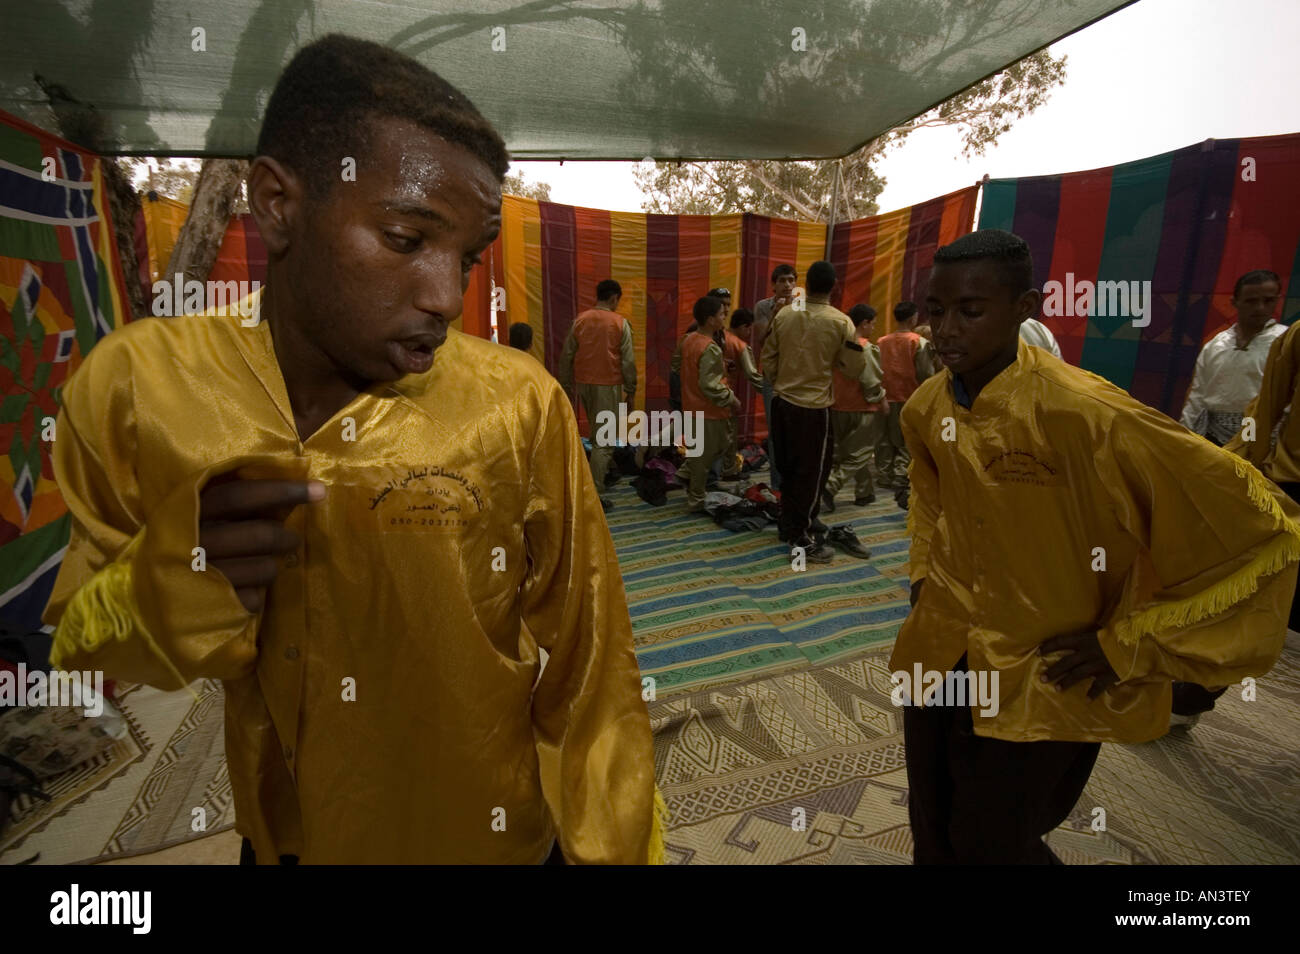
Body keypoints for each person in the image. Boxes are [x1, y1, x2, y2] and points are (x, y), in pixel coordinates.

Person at [42, 34, 660, 865]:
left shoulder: (517, 405)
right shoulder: (140, 389)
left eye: (468, 259)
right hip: (290, 842)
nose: (446, 295)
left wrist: (618, 849)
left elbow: (593, 665)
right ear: (277, 202)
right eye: (406, 239)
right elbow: (86, 641)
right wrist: (174, 579)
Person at [897, 229, 1299, 865]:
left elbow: (1259, 527)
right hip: (939, 647)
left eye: (970, 312)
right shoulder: (925, 408)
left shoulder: (1087, 413)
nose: (945, 329)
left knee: (994, 841)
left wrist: (1129, 641)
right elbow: (929, 499)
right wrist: (924, 574)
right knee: (934, 823)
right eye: (935, 310)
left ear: (1025, 307)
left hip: (1041, 665)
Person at [761, 261, 868, 563]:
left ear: (805, 284)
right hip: (814, 408)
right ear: (834, 286)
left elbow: (767, 357)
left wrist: (782, 381)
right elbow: (852, 367)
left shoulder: (785, 314)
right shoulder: (841, 322)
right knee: (812, 474)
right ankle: (801, 540)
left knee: (789, 469)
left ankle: (790, 522)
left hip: (782, 403)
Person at [1180, 269, 1286, 447]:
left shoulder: (1285, 343)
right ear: (1234, 302)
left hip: (1263, 435)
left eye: (1268, 300)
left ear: (1277, 300)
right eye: (1251, 301)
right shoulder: (1215, 345)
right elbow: (1197, 397)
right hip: (1213, 434)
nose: (1260, 307)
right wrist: (1185, 437)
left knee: (1246, 472)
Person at [559, 278, 637, 510]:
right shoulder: (619, 323)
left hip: (584, 384)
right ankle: (592, 496)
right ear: (614, 298)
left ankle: (600, 475)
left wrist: (565, 384)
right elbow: (628, 362)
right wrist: (631, 390)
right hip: (608, 384)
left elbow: (567, 354)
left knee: (596, 435)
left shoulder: (580, 320)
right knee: (604, 440)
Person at [821, 304, 886, 519]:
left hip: (838, 405)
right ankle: (829, 487)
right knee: (859, 453)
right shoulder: (865, 348)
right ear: (864, 323)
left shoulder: (839, 345)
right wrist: (881, 400)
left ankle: (864, 492)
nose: (873, 328)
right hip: (861, 406)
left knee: (849, 452)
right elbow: (870, 382)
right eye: (873, 323)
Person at [677, 297, 741, 511]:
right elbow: (709, 384)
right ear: (711, 319)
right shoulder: (710, 348)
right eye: (722, 314)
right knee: (708, 454)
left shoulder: (688, 340)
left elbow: (678, 367)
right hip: (708, 410)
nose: (725, 317)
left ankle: (685, 474)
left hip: (691, 404)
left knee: (700, 452)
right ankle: (696, 500)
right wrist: (731, 398)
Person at [875, 301, 936, 491]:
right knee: (907, 439)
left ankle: (884, 475)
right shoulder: (918, 342)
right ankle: (901, 474)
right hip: (910, 396)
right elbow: (926, 372)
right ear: (913, 318)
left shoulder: (881, 341)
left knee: (884, 440)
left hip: (885, 397)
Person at [752, 265, 798, 490]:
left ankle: (794, 482)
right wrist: (776, 314)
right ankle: (777, 485)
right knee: (775, 431)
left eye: (791, 280)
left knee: (796, 430)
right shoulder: (763, 306)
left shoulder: (802, 307)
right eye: (782, 281)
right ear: (773, 285)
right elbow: (761, 339)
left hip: (797, 377)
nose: (787, 285)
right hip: (772, 376)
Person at [720, 307, 764, 478]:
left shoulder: (717, 336)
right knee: (730, 433)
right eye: (749, 328)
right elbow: (752, 375)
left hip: (706, 393)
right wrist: (770, 391)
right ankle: (729, 470)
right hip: (726, 395)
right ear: (745, 326)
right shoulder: (740, 345)